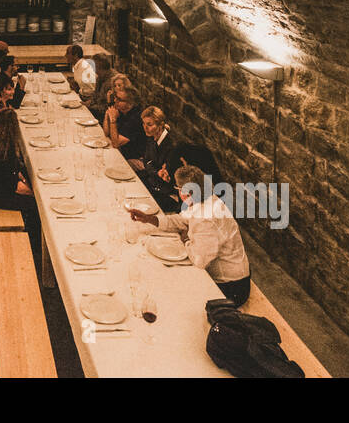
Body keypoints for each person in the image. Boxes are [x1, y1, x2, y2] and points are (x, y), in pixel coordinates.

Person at [129, 164, 251, 305]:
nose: (179, 193)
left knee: (171, 288)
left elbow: (199, 260)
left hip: (231, 287)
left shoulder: (205, 218)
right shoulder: (208, 200)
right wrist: (149, 219)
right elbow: (181, 220)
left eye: (179, 189)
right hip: (235, 276)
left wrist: (186, 238)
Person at [138, 106, 221, 212]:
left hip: (167, 191)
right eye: (144, 124)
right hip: (154, 181)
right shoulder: (151, 138)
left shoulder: (173, 146)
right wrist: (157, 171)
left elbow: (173, 177)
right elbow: (147, 162)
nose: (145, 128)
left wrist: (162, 173)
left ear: (160, 125)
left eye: (149, 124)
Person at [0, 108, 39, 247]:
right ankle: (34, 244)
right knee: (35, 207)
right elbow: (14, 187)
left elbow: (12, 173)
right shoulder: (5, 152)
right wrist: (36, 195)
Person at [104, 82, 146, 164]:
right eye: (115, 97)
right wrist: (107, 114)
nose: (115, 100)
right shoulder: (121, 110)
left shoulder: (136, 118)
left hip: (133, 159)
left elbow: (116, 143)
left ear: (130, 103)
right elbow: (106, 132)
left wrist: (113, 120)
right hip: (121, 152)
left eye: (119, 99)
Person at [86, 53, 114, 120]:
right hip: (97, 111)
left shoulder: (112, 83)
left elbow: (107, 108)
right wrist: (90, 102)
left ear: (99, 68)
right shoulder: (100, 77)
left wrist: (90, 106)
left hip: (105, 117)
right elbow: (95, 95)